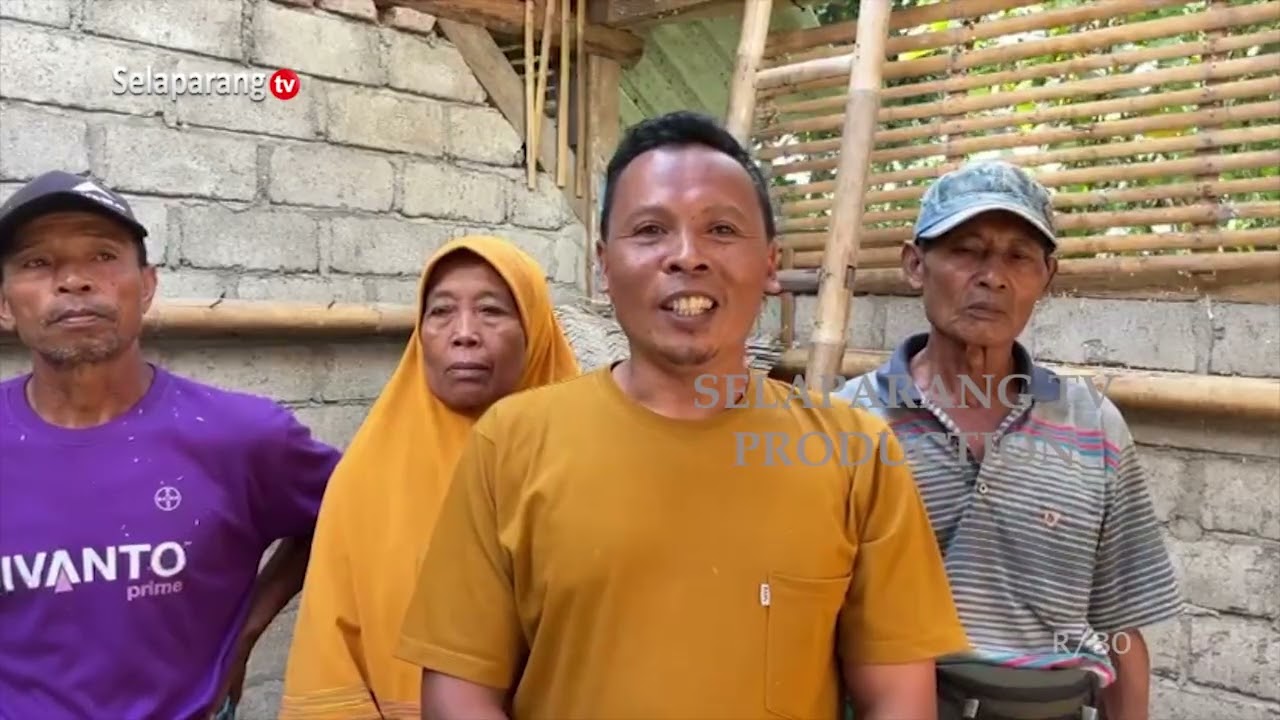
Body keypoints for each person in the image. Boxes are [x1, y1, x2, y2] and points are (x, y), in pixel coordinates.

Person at [393, 110, 970, 720]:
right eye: (649, 230)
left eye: (721, 229)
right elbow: (459, 689)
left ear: (772, 264)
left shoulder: (855, 454)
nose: (687, 257)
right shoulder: (510, 444)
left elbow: (898, 699)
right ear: (603, 265)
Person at [835, 160, 1183, 720]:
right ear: (915, 264)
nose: (993, 277)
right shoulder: (849, 421)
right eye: (967, 250)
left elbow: (1121, 626)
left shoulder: (1092, 426)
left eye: (1018, 257)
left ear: (1046, 277)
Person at [0, 170, 342, 720]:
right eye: (38, 263)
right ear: (5, 304)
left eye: (103, 257)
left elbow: (346, 511)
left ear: (149, 287)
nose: (73, 281)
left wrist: (250, 628)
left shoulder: (241, 435)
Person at [278, 236, 581, 720]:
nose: (464, 332)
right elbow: (331, 657)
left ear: (536, 330)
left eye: (492, 311)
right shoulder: (367, 478)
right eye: (440, 312)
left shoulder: (587, 462)